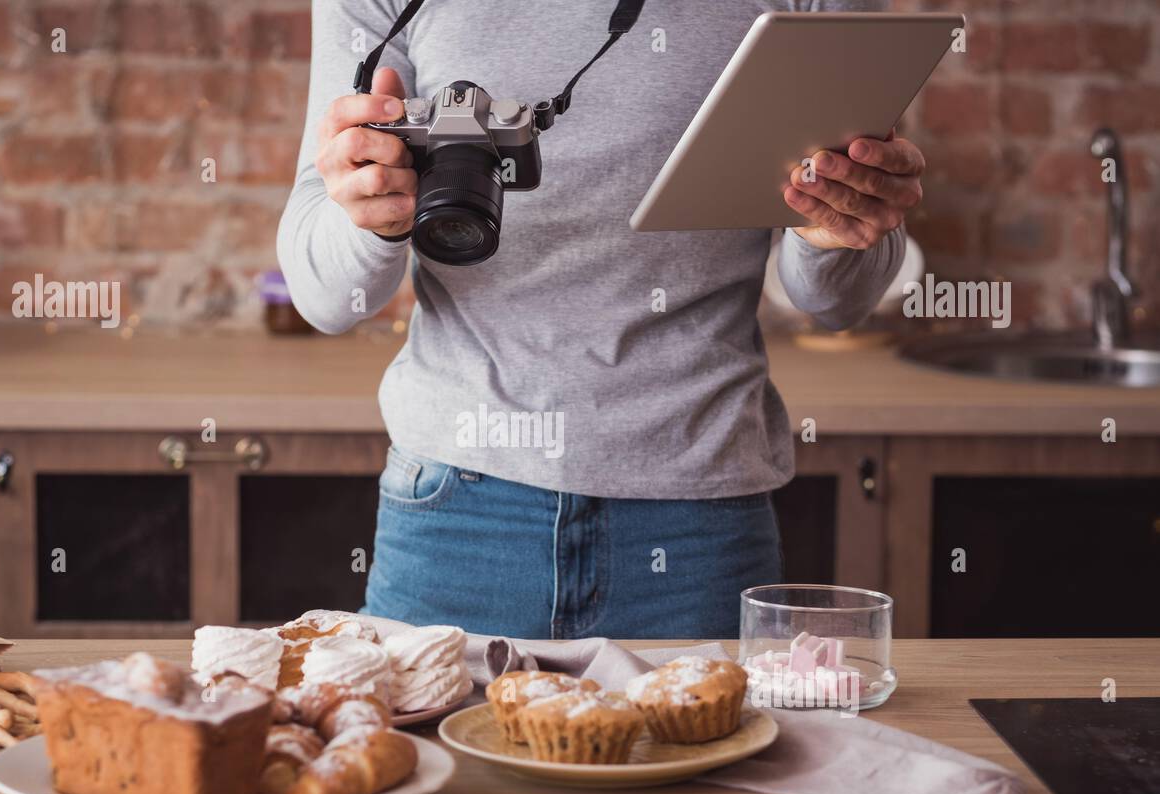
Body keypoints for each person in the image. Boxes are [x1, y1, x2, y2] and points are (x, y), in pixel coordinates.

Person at [278, 1, 921, 639]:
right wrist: (371, 214)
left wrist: (836, 228)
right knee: (421, 743)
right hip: (457, 507)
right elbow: (328, 298)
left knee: (714, 741)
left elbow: (835, 303)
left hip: (699, 510)